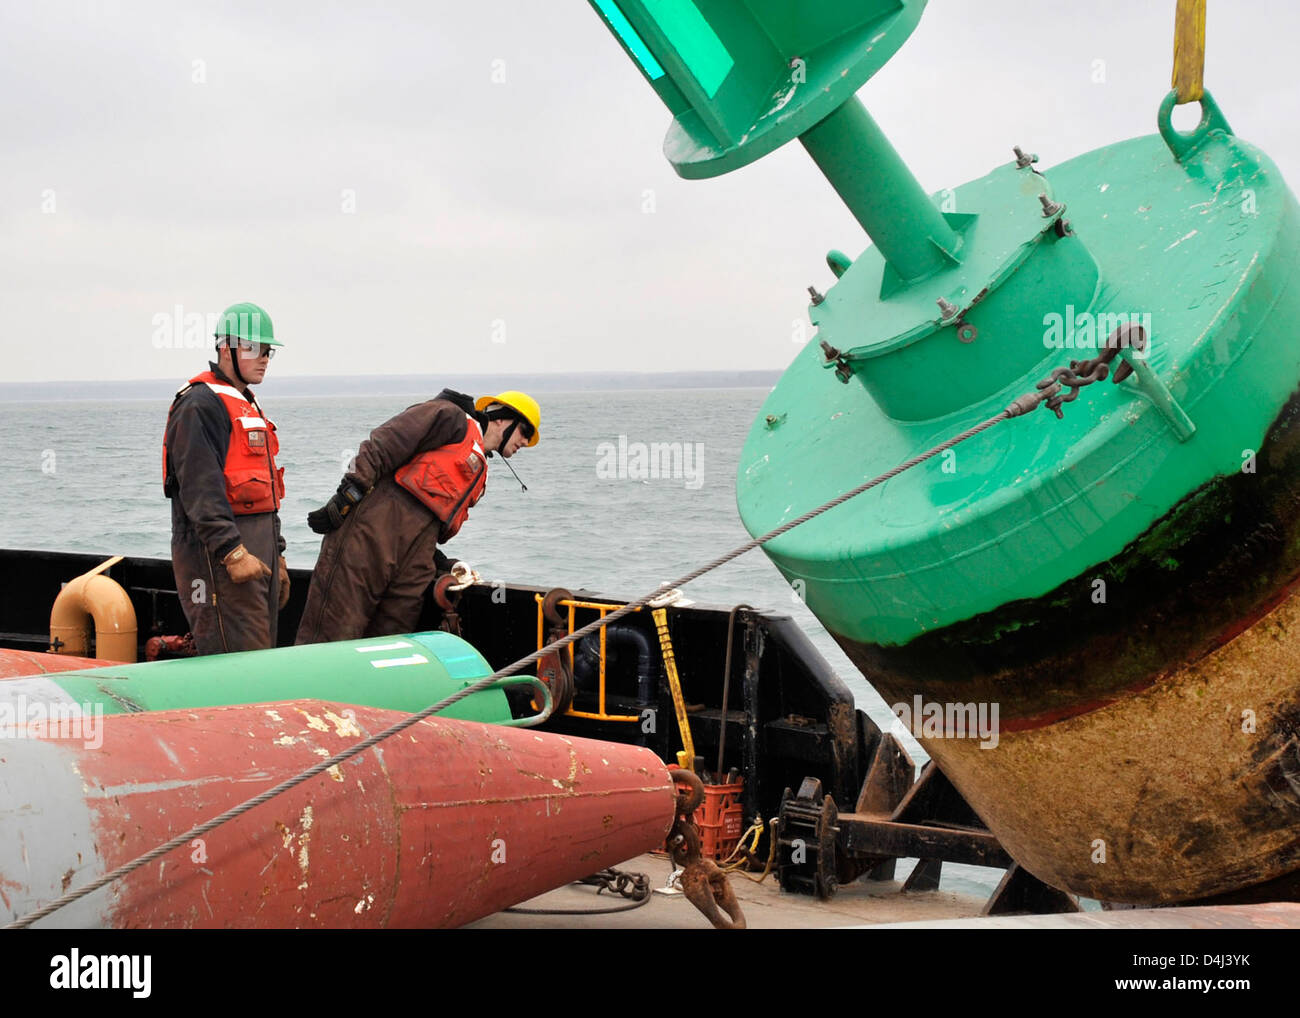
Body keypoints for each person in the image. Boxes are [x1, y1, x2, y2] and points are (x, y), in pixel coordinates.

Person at [295, 389, 539, 644]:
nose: (525, 442)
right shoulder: (449, 416)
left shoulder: (480, 470)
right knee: (332, 631)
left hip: (414, 557)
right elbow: (384, 443)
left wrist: (440, 561)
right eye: (525, 431)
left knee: (391, 642)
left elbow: (428, 522)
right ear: (501, 418)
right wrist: (347, 495)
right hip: (369, 535)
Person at [162, 301, 288, 654]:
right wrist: (232, 553)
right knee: (236, 658)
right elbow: (201, 490)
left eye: (268, 350)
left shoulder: (246, 404)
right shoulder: (200, 405)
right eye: (254, 348)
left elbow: (265, 494)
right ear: (226, 348)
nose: (263, 357)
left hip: (258, 548)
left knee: (261, 652)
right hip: (219, 555)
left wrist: (277, 554)